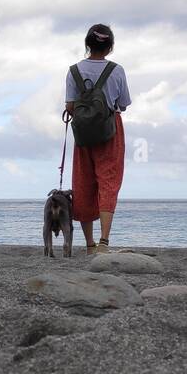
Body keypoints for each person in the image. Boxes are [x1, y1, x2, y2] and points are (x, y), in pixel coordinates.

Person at [63, 23, 131, 254]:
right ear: (110, 46)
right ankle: (104, 242)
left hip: (83, 133)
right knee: (108, 181)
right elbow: (123, 104)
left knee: (83, 182)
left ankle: (89, 244)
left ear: (87, 44)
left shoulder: (73, 70)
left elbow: (70, 106)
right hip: (110, 130)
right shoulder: (117, 70)